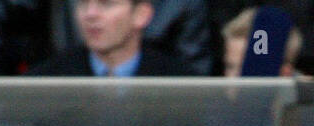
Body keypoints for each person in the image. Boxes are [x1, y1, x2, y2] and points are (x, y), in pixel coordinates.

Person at [27, 0, 197, 75]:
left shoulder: (177, 82)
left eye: (106, 4)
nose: (90, 14)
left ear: (141, 15)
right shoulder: (48, 80)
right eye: (84, 3)